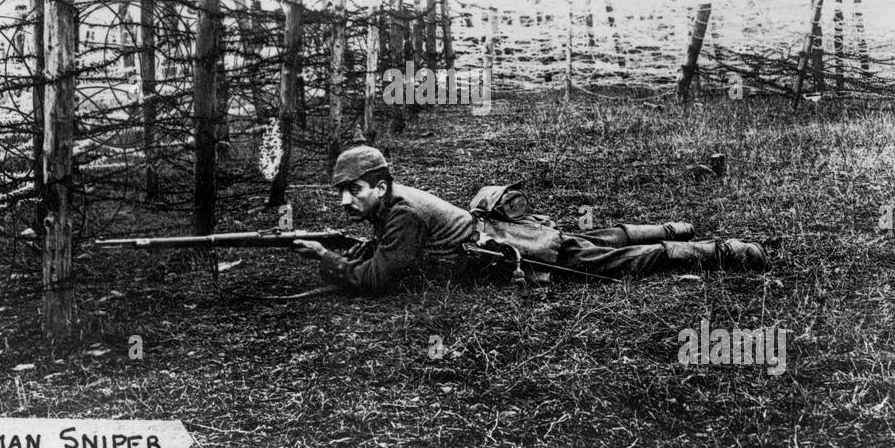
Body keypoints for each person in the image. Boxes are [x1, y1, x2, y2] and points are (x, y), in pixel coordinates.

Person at [292, 146, 768, 295]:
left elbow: (380, 279)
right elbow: (391, 256)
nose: (344, 202)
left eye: (352, 190)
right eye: (341, 192)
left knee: (616, 259)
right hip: (504, 236)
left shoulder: (402, 213)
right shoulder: (394, 202)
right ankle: (676, 227)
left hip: (509, 251)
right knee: (592, 239)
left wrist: (328, 260)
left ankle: (724, 251)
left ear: (379, 184)